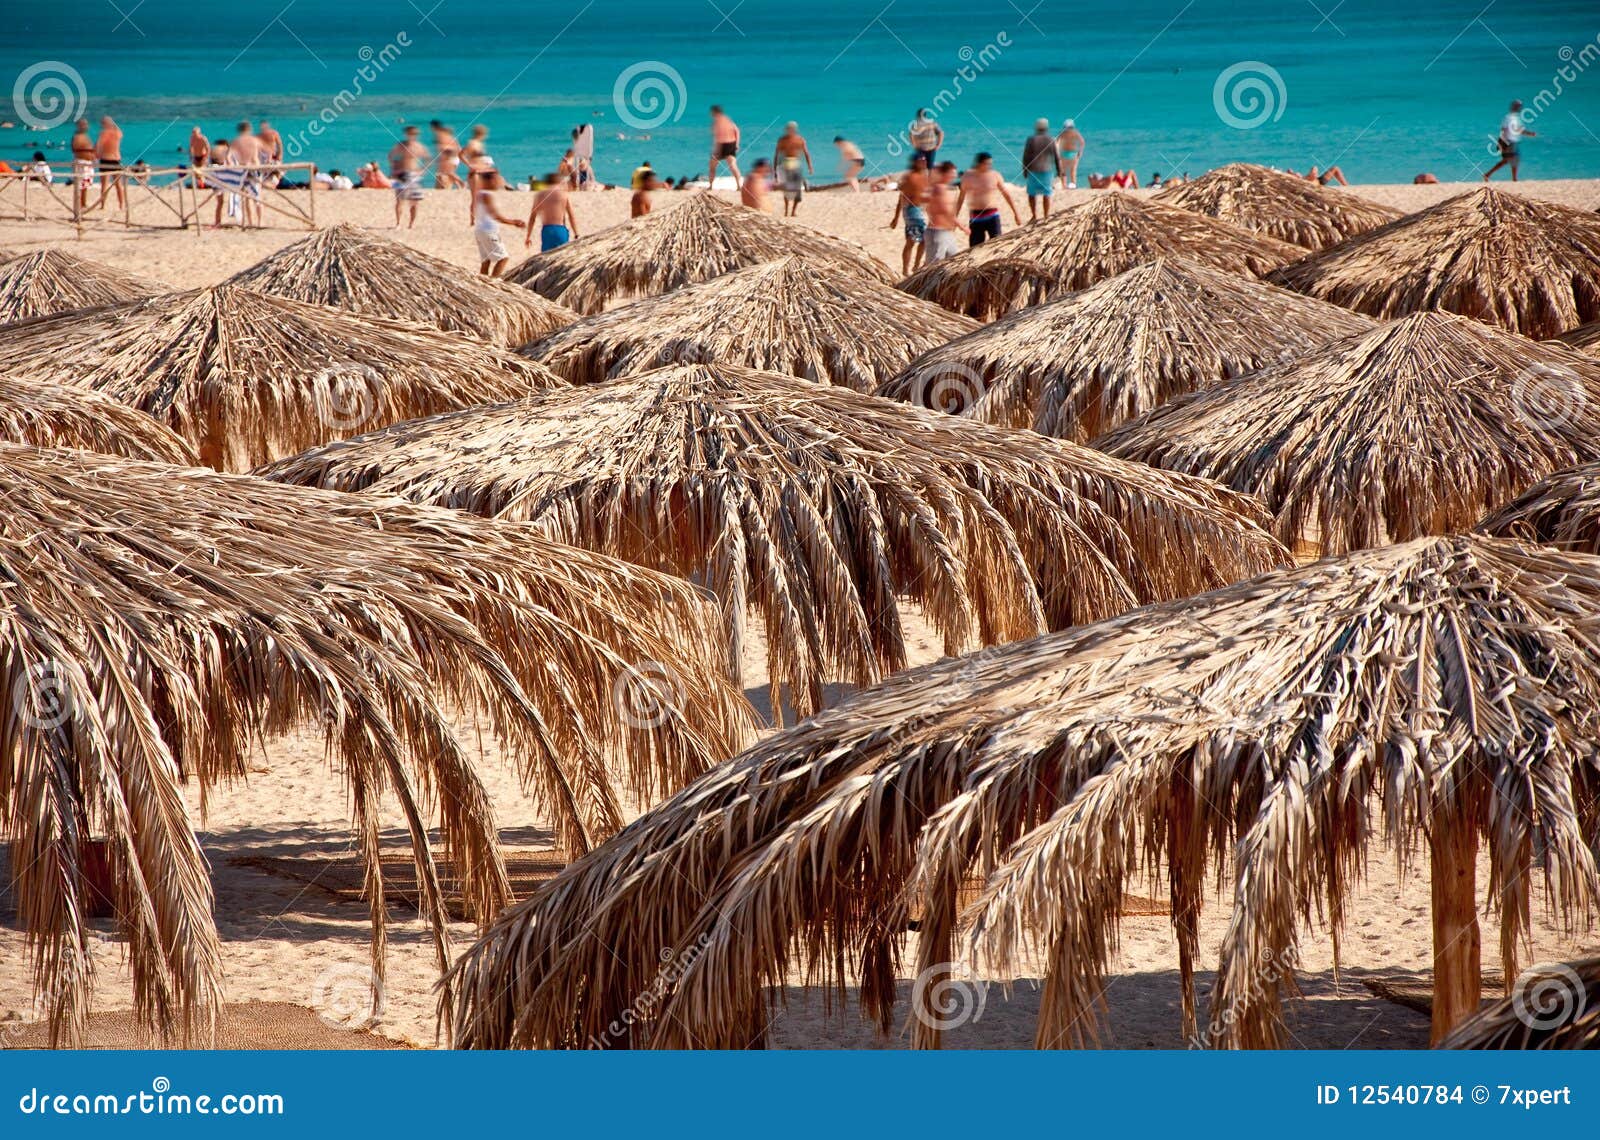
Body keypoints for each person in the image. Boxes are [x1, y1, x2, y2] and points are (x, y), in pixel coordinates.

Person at [955, 152, 1019, 246]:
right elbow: (961, 198)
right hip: (975, 217)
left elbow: (1006, 195)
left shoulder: (995, 175)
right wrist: (955, 217)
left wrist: (1016, 213)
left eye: (990, 164)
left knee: (997, 245)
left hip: (992, 216)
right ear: (979, 163)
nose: (989, 166)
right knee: (975, 248)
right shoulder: (968, 176)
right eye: (987, 164)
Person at [472, 169, 525, 276]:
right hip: (488, 231)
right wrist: (513, 222)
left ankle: (483, 282)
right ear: (489, 181)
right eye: (496, 180)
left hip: (480, 230)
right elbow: (494, 215)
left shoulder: (479, 194)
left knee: (486, 261)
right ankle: (494, 282)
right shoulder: (486, 195)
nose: (498, 183)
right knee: (503, 258)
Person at [889, 154, 931, 275]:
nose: (924, 163)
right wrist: (895, 218)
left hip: (916, 210)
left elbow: (923, 198)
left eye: (925, 160)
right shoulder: (910, 177)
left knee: (914, 241)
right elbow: (901, 197)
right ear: (915, 163)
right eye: (921, 161)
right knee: (917, 240)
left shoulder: (923, 176)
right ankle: (911, 267)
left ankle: (911, 267)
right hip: (912, 211)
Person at [388, 124, 430, 228]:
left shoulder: (420, 147)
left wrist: (422, 170)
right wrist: (395, 168)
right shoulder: (401, 145)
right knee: (399, 200)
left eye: (415, 134)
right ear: (406, 134)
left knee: (414, 202)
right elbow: (391, 156)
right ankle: (398, 223)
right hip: (402, 174)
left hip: (414, 175)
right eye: (410, 133)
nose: (413, 135)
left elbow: (428, 159)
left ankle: (411, 224)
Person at [923, 161, 965, 264]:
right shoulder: (939, 189)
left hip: (946, 232)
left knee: (954, 261)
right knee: (933, 266)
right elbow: (946, 211)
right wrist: (961, 226)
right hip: (937, 232)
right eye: (952, 173)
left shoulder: (942, 188)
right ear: (945, 174)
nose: (954, 175)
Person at [1021, 118, 1061, 220]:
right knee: (1046, 193)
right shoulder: (1051, 139)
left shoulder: (1031, 139)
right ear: (1046, 128)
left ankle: (1034, 215)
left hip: (1033, 169)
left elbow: (1026, 156)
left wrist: (1025, 170)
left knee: (1031, 194)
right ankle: (1046, 215)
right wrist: (1059, 171)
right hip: (1046, 170)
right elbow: (1056, 157)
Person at [527, 173, 579, 251]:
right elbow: (571, 216)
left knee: (546, 258)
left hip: (547, 230)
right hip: (560, 229)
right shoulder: (563, 194)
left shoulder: (539, 195)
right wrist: (576, 233)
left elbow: (532, 218)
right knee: (561, 256)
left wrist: (528, 236)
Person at [1485, 100, 1535, 182]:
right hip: (1509, 141)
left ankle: (1490, 174)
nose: (1518, 108)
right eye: (1517, 106)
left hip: (1515, 141)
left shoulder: (1516, 117)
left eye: (1519, 106)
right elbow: (1504, 129)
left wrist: (1529, 133)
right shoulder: (1508, 117)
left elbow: (1518, 129)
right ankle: (1490, 174)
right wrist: (1501, 141)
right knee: (1510, 159)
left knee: (1512, 159)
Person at [773, 122, 813, 217]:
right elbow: (777, 155)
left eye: (791, 129)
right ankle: (787, 211)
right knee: (787, 189)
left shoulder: (800, 140)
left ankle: (792, 211)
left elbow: (806, 153)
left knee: (797, 189)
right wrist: (775, 169)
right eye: (788, 129)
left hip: (795, 164)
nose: (790, 131)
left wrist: (810, 166)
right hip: (786, 164)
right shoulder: (782, 140)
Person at [94, 116, 125, 211]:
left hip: (105, 159)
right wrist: (113, 123)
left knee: (104, 185)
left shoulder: (103, 133)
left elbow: (99, 145)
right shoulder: (117, 133)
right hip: (115, 160)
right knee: (118, 185)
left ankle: (103, 205)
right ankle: (121, 205)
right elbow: (119, 131)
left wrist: (96, 155)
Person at [708, 105, 742, 187]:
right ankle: (739, 186)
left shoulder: (717, 121)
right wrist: (737, 144)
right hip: (731, 143)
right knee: (733, 166)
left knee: (712, 166)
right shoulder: (728, 120)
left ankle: (711, 186)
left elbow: (718, 136)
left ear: (715, 112)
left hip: (722, 144)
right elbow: (737, 131)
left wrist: (717, 150)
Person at [70, 118, 95, 214]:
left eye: (86, 124)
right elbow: (75, 149)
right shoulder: (76, 137)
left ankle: (83, 203)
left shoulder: (86, 136)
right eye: (84, 124)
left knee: (85, 184)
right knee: (79, 184)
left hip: (87, 163)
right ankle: (79, 203)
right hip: (81, 162)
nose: (86, 126)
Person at [431, 121, 464, 188]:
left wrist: (442, 156)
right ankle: (459, 186)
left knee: (447, 173)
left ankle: (461, 182)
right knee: (446, 173)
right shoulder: (450, 137)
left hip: (450, 158)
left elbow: (445, 149)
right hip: (454, 157)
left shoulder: (441, 135)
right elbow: (458, 148)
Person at [1056, 118, 1085, 189]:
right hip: (1073, 153)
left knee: (1064, 170)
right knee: (1073, 170)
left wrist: (1057, 152)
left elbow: (1056, 142)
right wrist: (1080, 152)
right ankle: (1073, 184)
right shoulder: (1075, 133)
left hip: (1065, 153)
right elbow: (1082, 142)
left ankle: (1064, 185)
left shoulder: (1062, 133)